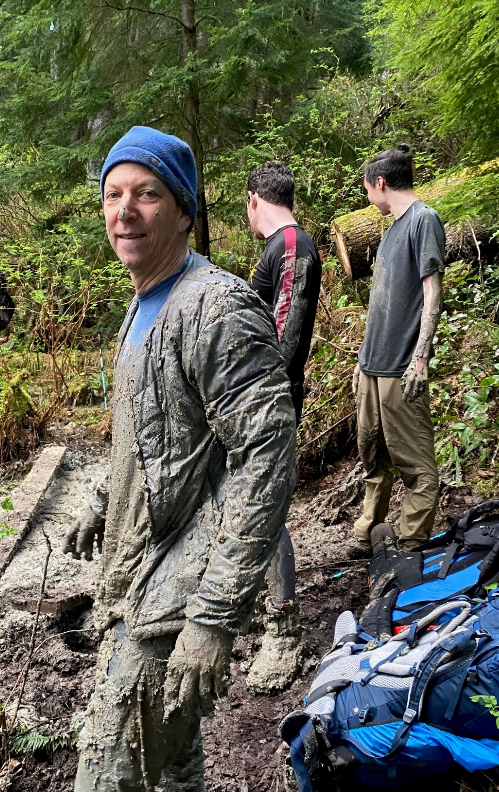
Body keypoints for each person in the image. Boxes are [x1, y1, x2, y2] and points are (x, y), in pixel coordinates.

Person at [63, 126, 297, 792]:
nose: (124, 211)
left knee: (107, 774)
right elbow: (152, 434)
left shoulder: (215, 306)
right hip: (141, 560)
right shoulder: (142, 303)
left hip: (181, 584)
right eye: (113, 194)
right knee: (171, 764)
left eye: (146, 194)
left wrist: (214, 616)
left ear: (185, 211)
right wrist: (104, 502)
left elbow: (267, 459)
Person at [244, 162, 322, 691]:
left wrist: (258, 392)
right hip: (251, 400)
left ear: (254, 199)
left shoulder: (291, 243)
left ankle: (284, 628)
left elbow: (286, 329)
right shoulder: (280, 247)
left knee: (267, 509)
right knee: (246, 503)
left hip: (268, 402)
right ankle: (258, 605)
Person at [349, 144, 444, 558]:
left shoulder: (424, 220)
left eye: (368, 189)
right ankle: (367, 531)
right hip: (373, 366)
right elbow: (382, 305)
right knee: (373, 456)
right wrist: (361, 360)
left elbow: (431, 292)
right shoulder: (390, 229)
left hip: (401, 367)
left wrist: (420, 357)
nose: (367, 199)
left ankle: (410, 544)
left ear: (381, 183)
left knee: (415, 465)